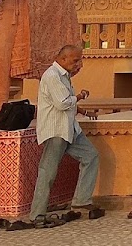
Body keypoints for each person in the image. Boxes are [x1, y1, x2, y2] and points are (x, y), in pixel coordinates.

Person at [30, 44, 101, 222]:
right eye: (75, 60)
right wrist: (80, 96)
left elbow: (68, 104)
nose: (79, 64)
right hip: (56, 131)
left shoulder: (64, 77)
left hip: (70, 129)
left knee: (91, 156)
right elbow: (63, 103)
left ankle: (81, 201)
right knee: (48, 171)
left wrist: (84, 112)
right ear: (63, 59)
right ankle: (37, 214)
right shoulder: (52, 76)